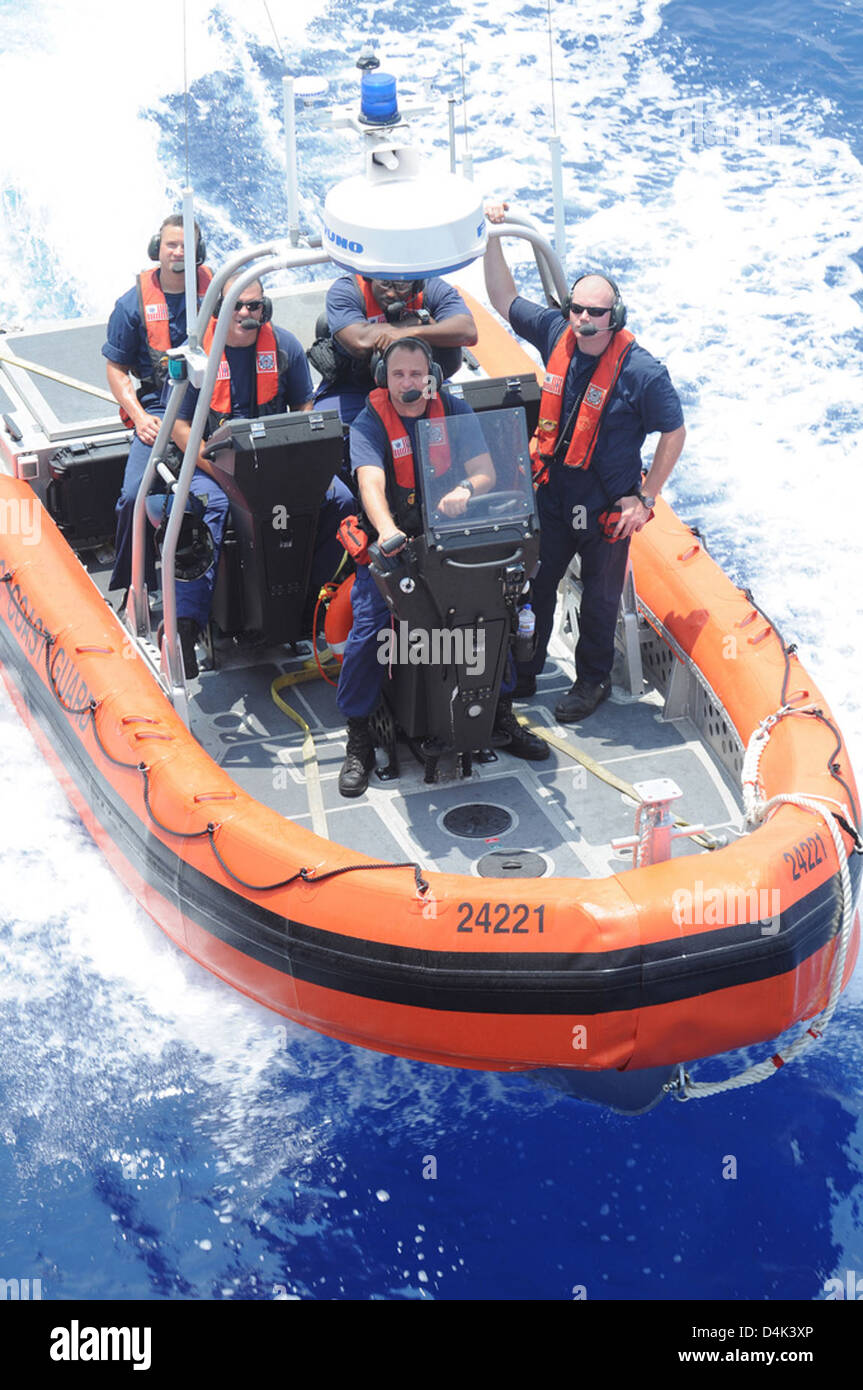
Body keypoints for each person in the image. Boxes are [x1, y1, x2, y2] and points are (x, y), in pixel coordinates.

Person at [483, 202, 686, 721]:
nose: (585, 320)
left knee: (599, 602)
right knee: (534, 588)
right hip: (553, 496)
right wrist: (493, 235)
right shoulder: (557, 335)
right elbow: (504, 299)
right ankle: (524, 671)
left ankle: (591, 681)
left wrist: (646, 497)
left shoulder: (643, 372)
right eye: (578, 310)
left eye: (596, 313)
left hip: (607, 508)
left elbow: (674, 431)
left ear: (613, 318)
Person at [336, 338, 548, 797]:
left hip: (454, 540)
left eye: (416, 374)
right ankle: (359, 736)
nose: (408, 383)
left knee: (499, 612)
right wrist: (388, 530)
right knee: (370, 627)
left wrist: (467, 490)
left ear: (430, 376)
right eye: (398, 375)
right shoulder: (368, 424)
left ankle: (501, 710)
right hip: (396, 546)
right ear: (383, 379)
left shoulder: (455, 411)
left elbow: (485, 472)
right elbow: (370, 484)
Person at [167, 275, 354, 676]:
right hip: (212, 467)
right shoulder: (197, 357)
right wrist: (216, 468)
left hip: (273, 465)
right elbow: (180, 428)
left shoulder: (284, 347)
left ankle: (307, 605)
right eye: (238, 306)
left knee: (340, 500)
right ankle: (188, 627)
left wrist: (294, 459)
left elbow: (304, 405)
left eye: (255, 306)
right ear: (218, 308)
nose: (247, 314)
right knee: (211, 510)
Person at [104, 214, 211, 598]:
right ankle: (137, 584)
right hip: (160, 408)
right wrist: (138, 416)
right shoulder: (131, 305)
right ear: (157, 248)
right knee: (135, 496)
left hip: (215, 407)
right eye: (171, 245)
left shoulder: (221, 292)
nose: (179, 253)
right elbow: (116, 368)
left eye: (187, 246)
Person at [312, 273, 478, 425]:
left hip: (420, 381)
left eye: (401, 286)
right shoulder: (346, 290)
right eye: (384, 283)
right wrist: (415, 323)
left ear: (417, 284)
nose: (391, 293)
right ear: (370, 277)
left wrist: (411, 331)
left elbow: (467, 331)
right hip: (356, 386)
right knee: (329, 430)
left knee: (460, 424)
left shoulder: (432, 288)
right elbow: (359, 341)